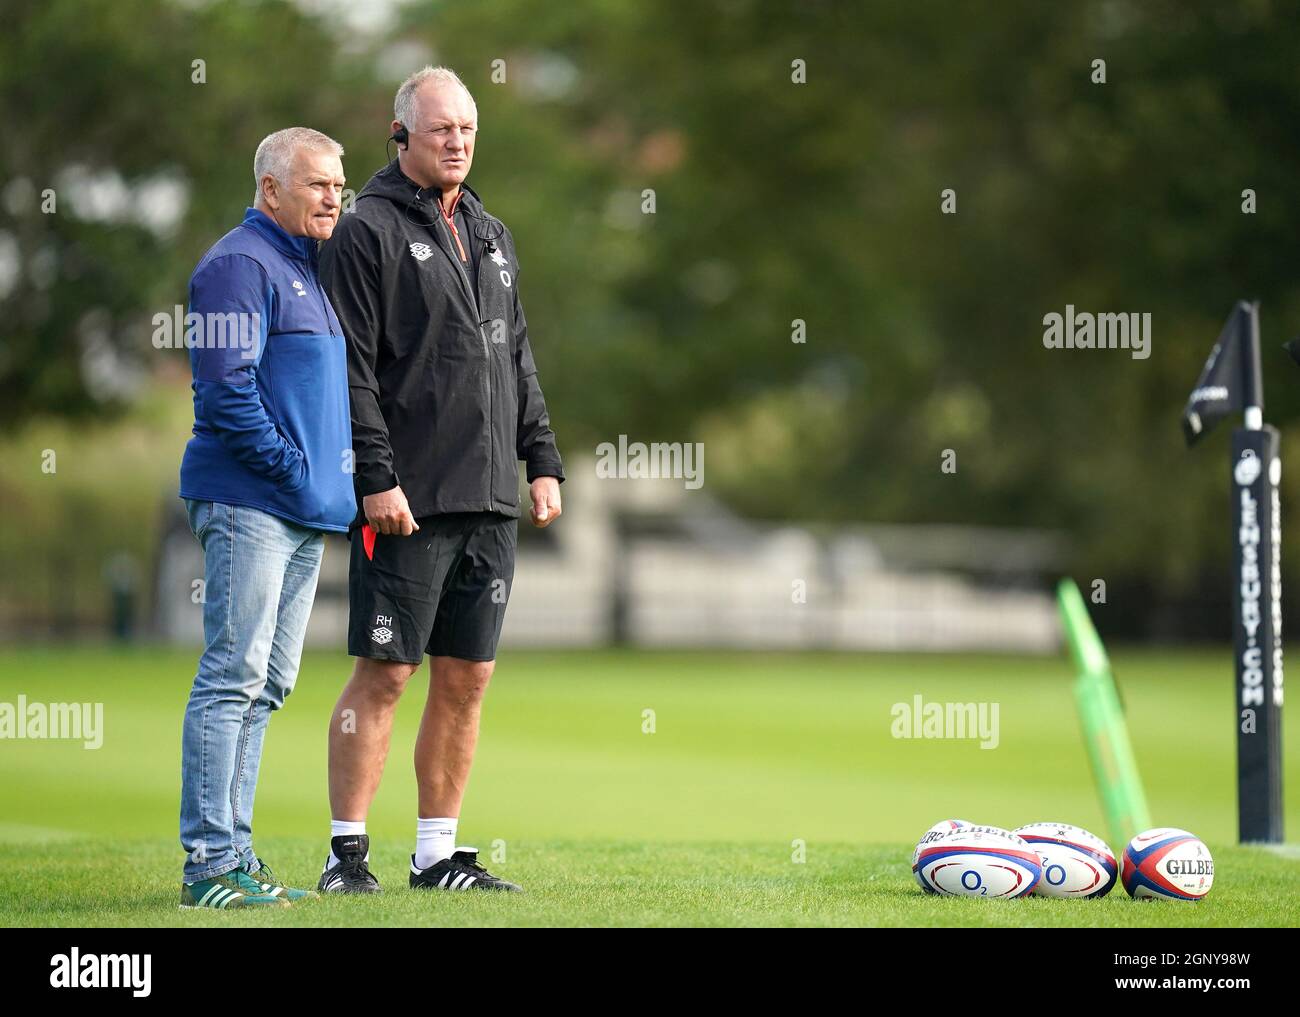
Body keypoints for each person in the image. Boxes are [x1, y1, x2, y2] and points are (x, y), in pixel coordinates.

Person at [317, 66, 564, 894]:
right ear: (401, 137)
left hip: (491, 497)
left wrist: (543, 459)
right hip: (406, 500)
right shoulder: (366, 230)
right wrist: (375, 477)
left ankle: (437, 855)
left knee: (467, 677)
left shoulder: (492, 233)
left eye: (466, 129)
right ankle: (346, 854)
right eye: (440, 130)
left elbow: (516, 355)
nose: (456, 142)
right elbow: (349, 367)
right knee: (386, 673)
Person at [177, 127, 354, 909]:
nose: (333, 197)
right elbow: (224, 393)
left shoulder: (306, 268)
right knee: (232, 676)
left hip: (300, 511)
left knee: (269, 683)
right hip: (251, 500)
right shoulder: (236, 265)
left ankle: (237, 856)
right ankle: (208, 865)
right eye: (317, 184)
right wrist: (293, 469)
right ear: (270, 188)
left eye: (338, 185)